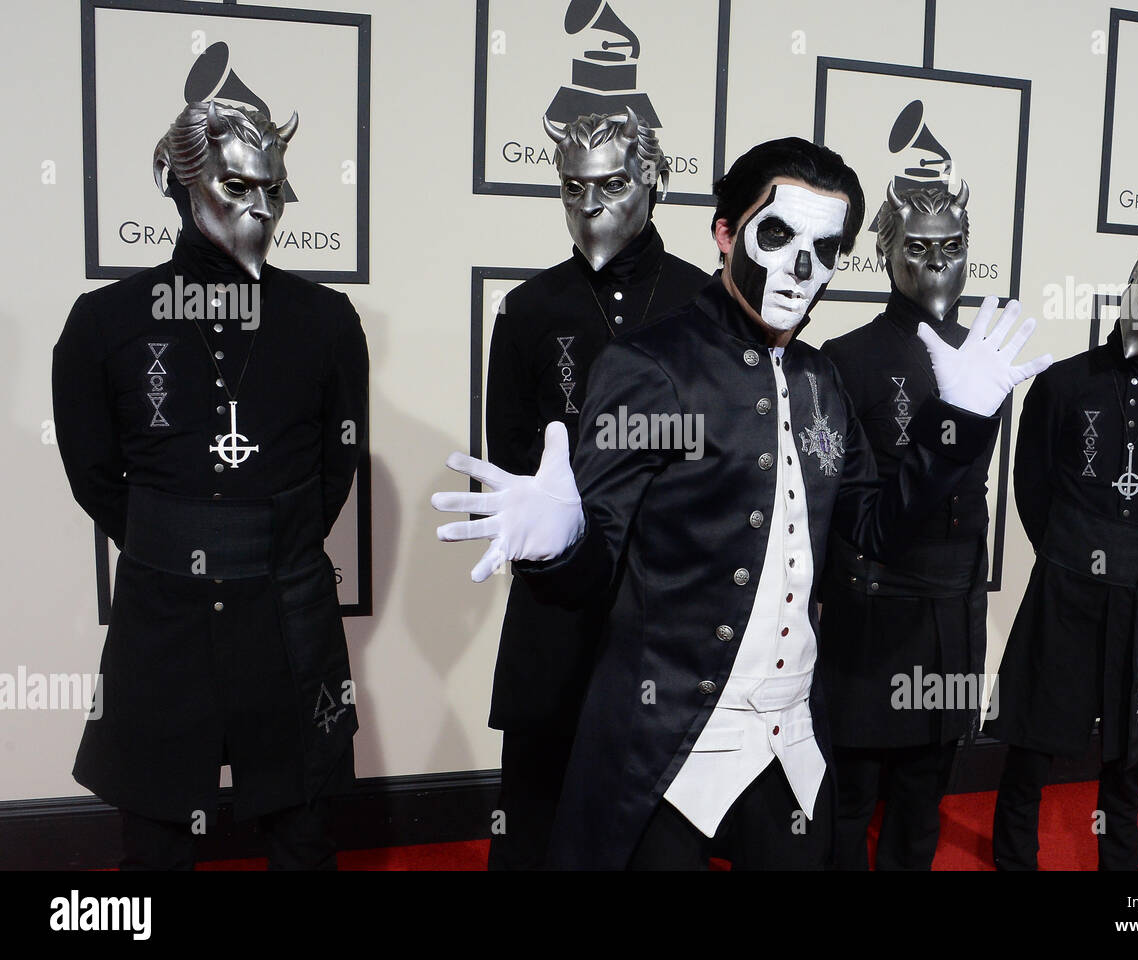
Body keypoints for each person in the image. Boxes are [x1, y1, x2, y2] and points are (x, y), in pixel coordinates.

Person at [433, 137, 1049, 870]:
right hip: (665, 743)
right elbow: (592, 576)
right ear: (726, 233)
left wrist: (957, 426)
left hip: (791, 742)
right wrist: (559, 543)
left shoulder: (823, 380)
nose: (799, 267)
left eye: (823, 250)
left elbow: (874, 528)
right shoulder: (649, 368)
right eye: (777, 233)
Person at [52, 100, 367, 870]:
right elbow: (92, 471)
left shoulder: (326, 320)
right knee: (154, 839)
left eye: (275, 189)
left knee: (303, 831)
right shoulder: (103, 322)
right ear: (180, 183)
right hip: (162, 612)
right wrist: (178, 541)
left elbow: (337, 465)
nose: (261, 208)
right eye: (236, 186)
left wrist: (269, 542)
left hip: (289, 599)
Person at [484, 109, 708, 869]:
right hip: (556, 608)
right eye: (572, 187)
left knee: (660, 827)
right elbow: (513, 454)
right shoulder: (528, 308)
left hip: (671, 605)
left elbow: (728, 452)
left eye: (611, 183)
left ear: (656, 180)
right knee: (537, 816)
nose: (590, 204)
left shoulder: (706, 305)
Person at [986, 225, 1138, 870]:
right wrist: (1072, 552)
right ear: (1134, 279)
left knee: (1129, 752)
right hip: (1063, 588)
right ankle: (1013, 859)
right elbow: (1031, 487)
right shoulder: (1062, 385)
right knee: (1031, 741)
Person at [819, 181, 997, 870]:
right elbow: (837, 507)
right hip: (869, 616)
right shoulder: (846, 356)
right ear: (887, 252)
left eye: (951, 249)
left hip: (951, 613)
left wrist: (973, 645)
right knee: (848, 798)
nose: (935, 265)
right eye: (917, 248)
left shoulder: (987, 357)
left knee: (925, 803)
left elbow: (975, 506)